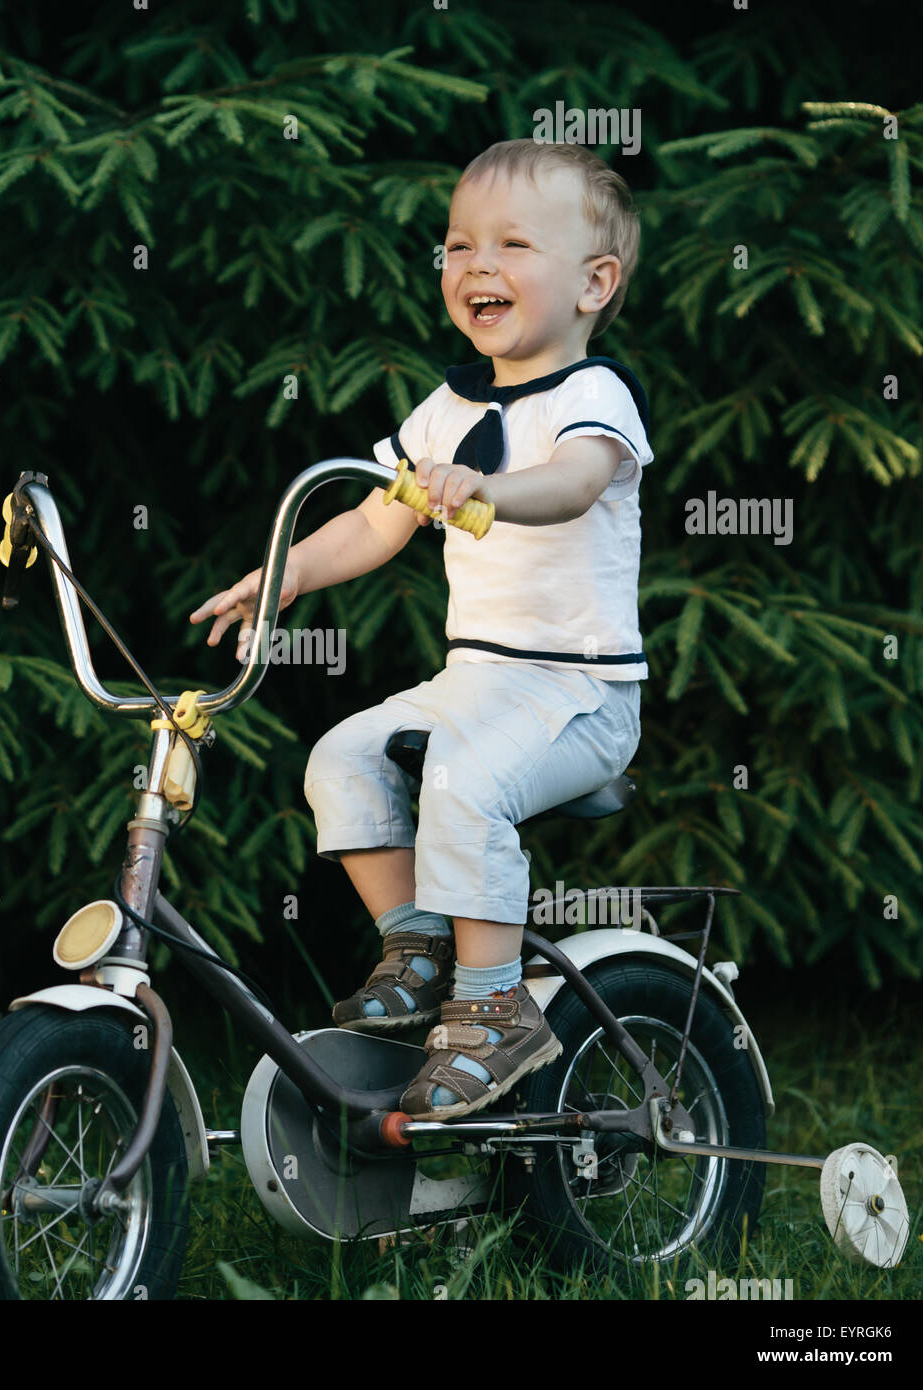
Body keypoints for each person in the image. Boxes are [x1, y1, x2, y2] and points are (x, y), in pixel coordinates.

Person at [189, 138, 652, 1121]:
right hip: (476, 682)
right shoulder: (444, 408)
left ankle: (494, 1013)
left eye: (514, 243)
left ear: (592, 283)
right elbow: (372, 517)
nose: (478, 264)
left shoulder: (593, 399)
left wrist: (485, 487)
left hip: (581, 690)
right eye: (458, 244)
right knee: (340, 757)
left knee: (463, 779)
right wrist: (285, 575)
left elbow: (571, 484)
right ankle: (422, 943)